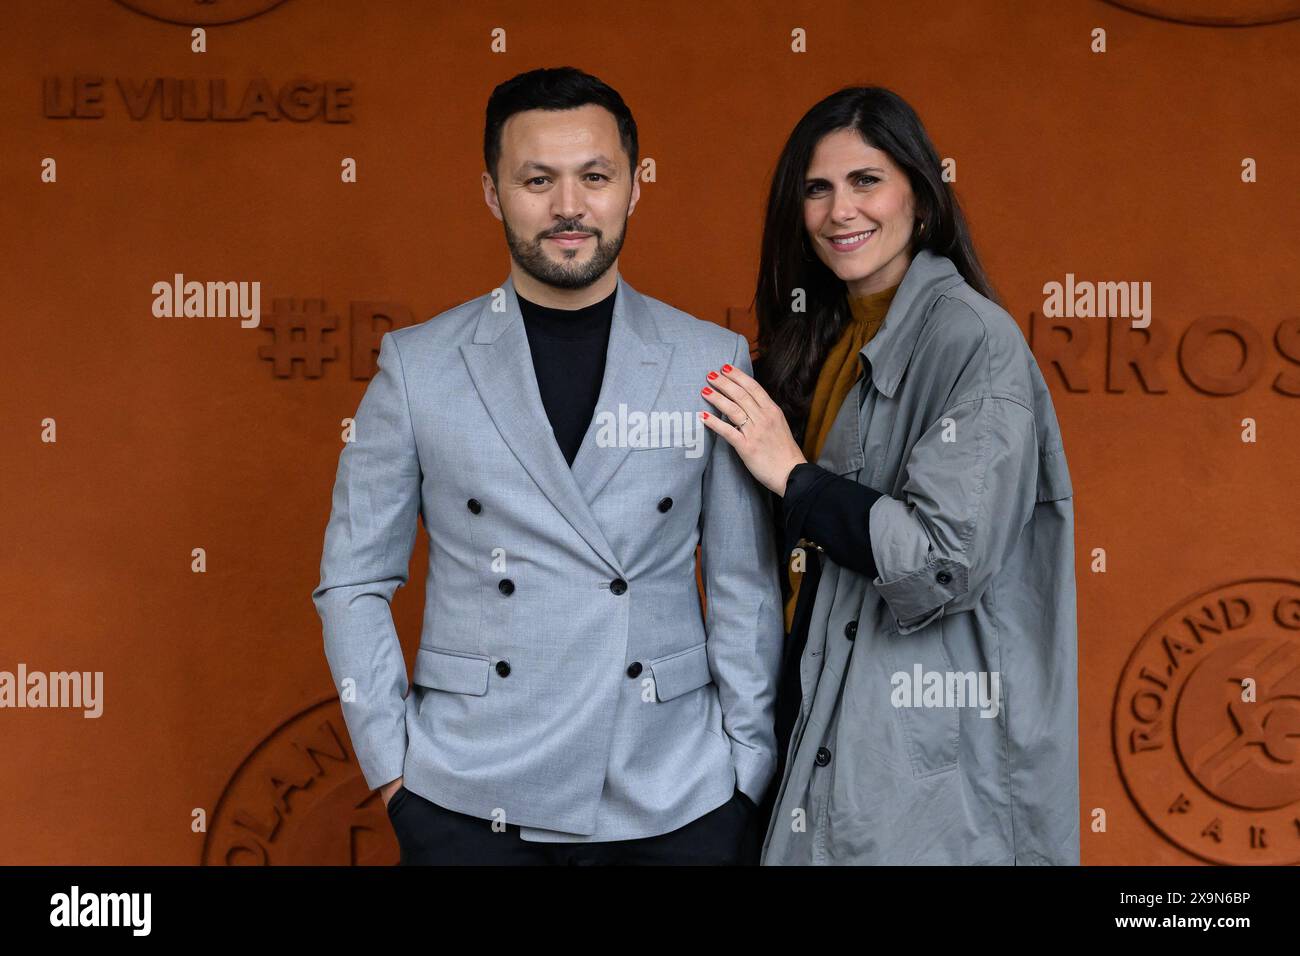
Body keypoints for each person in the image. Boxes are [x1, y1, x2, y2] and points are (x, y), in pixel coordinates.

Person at [311, 67, 783, 864]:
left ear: (635, 186)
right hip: (469, 791)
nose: (569, 206)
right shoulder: (417, 367)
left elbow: (744, 583)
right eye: (538, 179)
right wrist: (396, 776)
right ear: (494, 193)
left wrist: (745, 771)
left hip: (674, 792)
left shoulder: (711, 357)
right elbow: (352, 581)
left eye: (594, 176)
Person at [696, 87, 1079, 864]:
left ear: (921, 196)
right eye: (817, 187)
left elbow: (943, 561)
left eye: (866, 181)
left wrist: (795, 478)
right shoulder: (818, 337)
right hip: (809, 709)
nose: (842, 210)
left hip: (916, 753)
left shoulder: (972, 339)